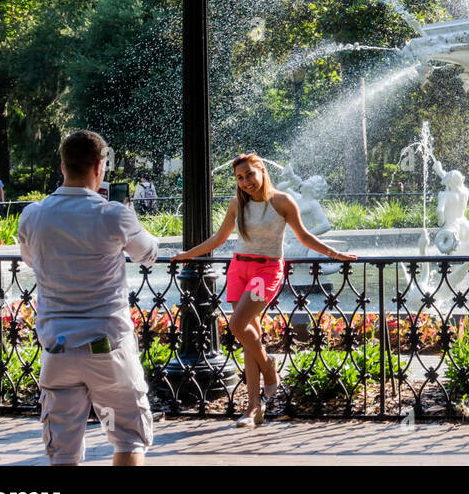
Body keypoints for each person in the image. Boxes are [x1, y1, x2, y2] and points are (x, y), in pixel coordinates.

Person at [173, 151, 356, 427]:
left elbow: (304, 236)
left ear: (261, 171)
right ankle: (253, 408)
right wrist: (187, 254)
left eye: (249, 174)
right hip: (238, 269)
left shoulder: (282, 201)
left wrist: (334, 253)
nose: (245, 181)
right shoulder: (238, 204)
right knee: (250, 336)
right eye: (240, 177)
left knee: (238, 325)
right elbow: (219, 238)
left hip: (265, 271)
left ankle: (270, 369)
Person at [17, 130, 158, 466]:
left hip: (57, 349)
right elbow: (147, 254)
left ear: (62, 165)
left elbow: (29, 259)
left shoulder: (33, 215)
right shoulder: (112, 214)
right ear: (100, 166)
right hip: (108, 347)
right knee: (127, 437)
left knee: (62, 449)